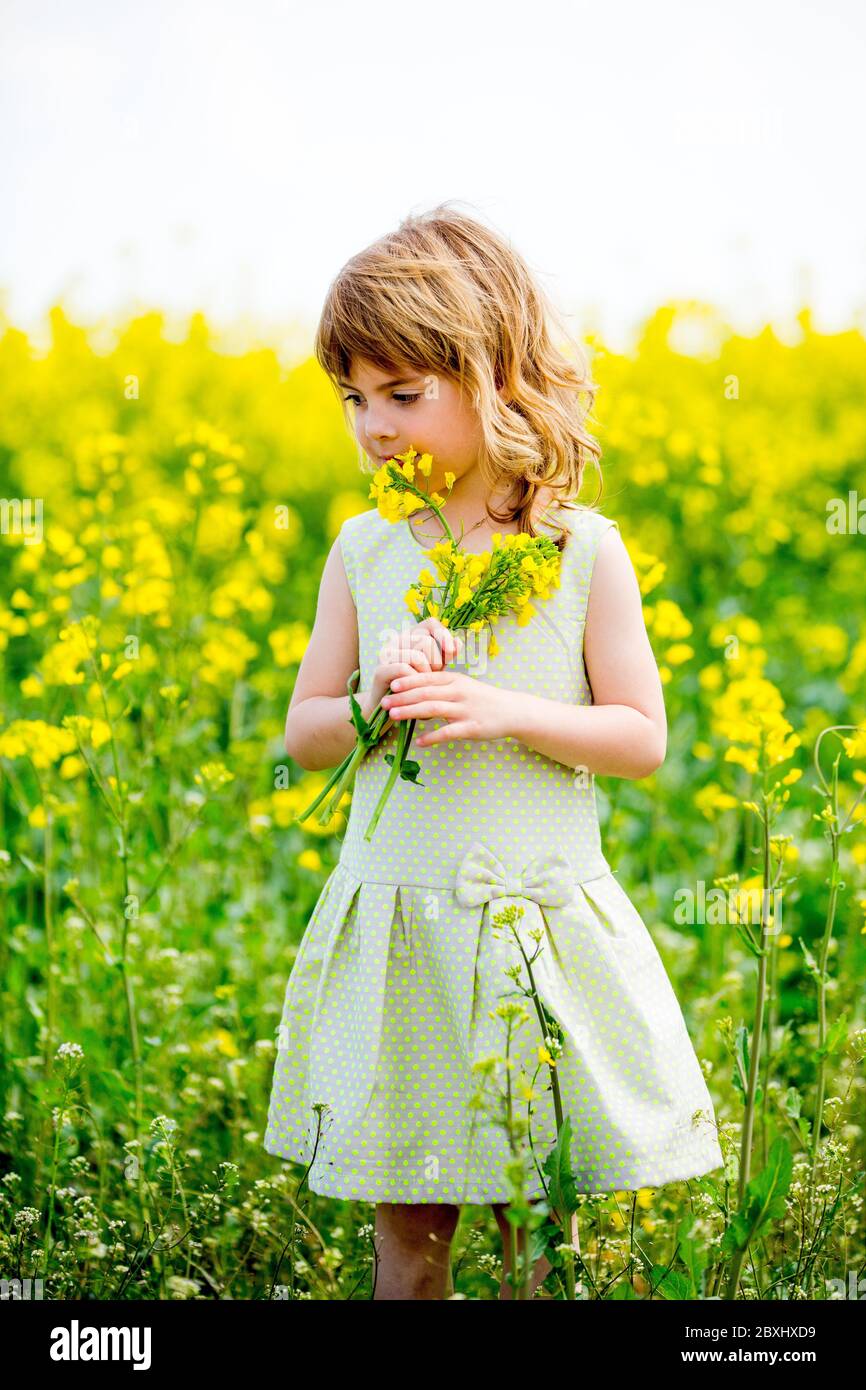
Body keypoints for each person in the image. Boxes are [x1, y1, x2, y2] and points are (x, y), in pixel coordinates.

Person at [264, 203, 724, 1300]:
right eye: (352, 399)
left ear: (492, 374)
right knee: (408, 1247)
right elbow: (303, 730)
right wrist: (373, 704)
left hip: (531, 934)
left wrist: (502, 708)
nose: (372, 425)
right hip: (402, 935)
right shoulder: (364, 548)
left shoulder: (578, 551)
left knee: (530, 1240)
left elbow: (638, 738)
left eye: (401, 393)